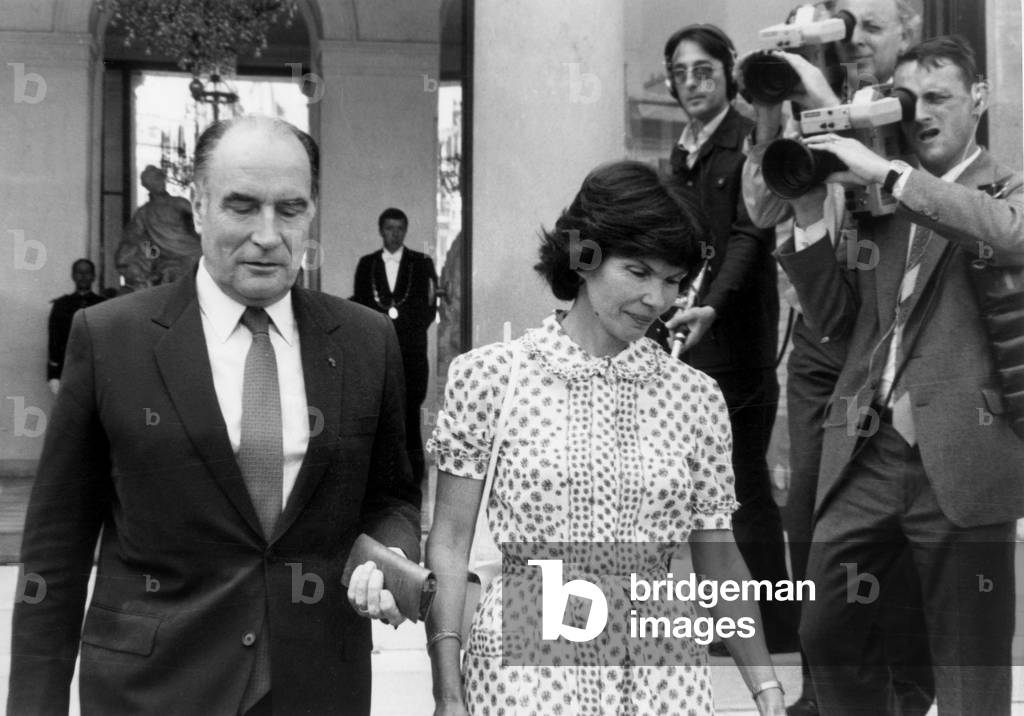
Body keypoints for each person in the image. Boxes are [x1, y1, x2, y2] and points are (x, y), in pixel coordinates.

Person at [8, 116, 422, 716]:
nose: (267, 235)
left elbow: (394, 498)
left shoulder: (365, 341)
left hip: (318, 686)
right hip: (153, 689)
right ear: (198, 209)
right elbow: (55, 553)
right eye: (242, 207)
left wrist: (391, 551)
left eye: (290, 209)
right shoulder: (109, 339)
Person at [425, 161, 786, 716]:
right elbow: (449, 545)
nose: (656, 298)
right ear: (585, 257)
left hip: (664, 667)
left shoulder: (697, 397)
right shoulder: (493, 376)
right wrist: (447, 694)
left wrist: (768, 691)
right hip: (527, 662)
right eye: (638, 271)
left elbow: (720, 561)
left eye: (672, 280)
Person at [776, 36, 1024, 715]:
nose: (922, 114)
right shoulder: (880, 203)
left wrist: (886, 173)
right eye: (909, 101)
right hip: (867, 451)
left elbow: (1004, 234)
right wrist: (805, 212)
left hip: (963, 453)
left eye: (939, 97)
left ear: (979, 98)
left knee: (969, 668)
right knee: (826, 629)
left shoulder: (1005, 190)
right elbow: (834, 317)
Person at [737, 3, 932, 714]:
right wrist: (770, 110)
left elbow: (897, 183)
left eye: (868, 26)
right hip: (822, 343)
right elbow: (760, 213)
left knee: (885, 530)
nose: (852, 43)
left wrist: (827, 106)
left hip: (888, 338)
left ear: (905, 33)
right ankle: (821, 689)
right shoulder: (800, 113)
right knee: (808, 522)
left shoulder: (914, 103)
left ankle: (899, 690)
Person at [659, 24, 797, 655]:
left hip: (737, 342)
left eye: (704, 71)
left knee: (744, 489)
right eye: (681, 73)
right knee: (710, 496)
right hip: (691, 341)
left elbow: (751, 235)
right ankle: (732, 625)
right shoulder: (682, 152)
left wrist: (710, 305)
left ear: (729, 72)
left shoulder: (749, 139)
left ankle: (774, 626)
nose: (692, 83)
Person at [352, 208, 438, 485]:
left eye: (400, 228)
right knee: (380, 410)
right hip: (378, 351)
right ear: (381, 230)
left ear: (406, 230)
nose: (394, 234)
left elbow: (429, 307)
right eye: (389, 228)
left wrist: (407, 335)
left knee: (410, 411)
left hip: (411, 352)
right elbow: (361, 305)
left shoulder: (421, 263)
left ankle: (413, 473)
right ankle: (382, 474)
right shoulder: (366, 264)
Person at [115, 164, 202, 290]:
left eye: (160, 178)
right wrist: (152, 253)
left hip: (191, 249)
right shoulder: (144, 213)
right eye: (154, 180)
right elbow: (133, 237)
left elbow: (202, 222)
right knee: (171, 275)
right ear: (148, 186)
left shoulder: (178, 203)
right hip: (164, 256)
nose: (159, 183)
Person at [46, 258, 104, 395]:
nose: (83, 276)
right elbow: (54, 341)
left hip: (95, 371)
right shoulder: (61, 305)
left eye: (88, 272)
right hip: (67, 370)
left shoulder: (103, 304)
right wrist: (54, 375)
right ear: (73, 276)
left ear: (94, 276)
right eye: (79, 272)